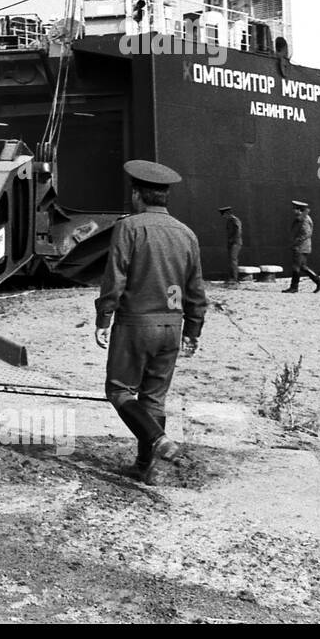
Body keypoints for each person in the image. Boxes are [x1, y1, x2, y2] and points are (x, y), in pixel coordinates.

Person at [95, 160, 207, 484]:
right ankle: (147, 466)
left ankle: (158, 440)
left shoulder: (128, 228)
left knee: (119, 391)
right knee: (154, 399)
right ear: (165, 197)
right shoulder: (187, 234)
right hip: (172, 326)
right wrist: (194, 328)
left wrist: (104, 316)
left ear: (136, 195)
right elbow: (196, 288)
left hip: (135, 324)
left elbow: (114, 278)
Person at [284, 200, 320, 293]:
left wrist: (295, 242)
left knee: (296, 267)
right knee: (302, 267)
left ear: (299, 210)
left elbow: (306, 233)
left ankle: (294, 287)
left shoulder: (304, 219)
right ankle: (319, 281)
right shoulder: (301, 218)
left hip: (301, 246)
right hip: (302, 246)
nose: (293, 211)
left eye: (295, 209)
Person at [219, 205, 243, 283]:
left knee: (233, 260)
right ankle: (230, 278)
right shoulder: (229, 221)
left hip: (236, 243)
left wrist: (232, 240)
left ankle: (234, 279)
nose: (223, 217)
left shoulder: (235, 220)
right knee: (230, 260)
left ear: (227, 213)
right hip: (231, 243)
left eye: (224, 215)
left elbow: (238, 231)